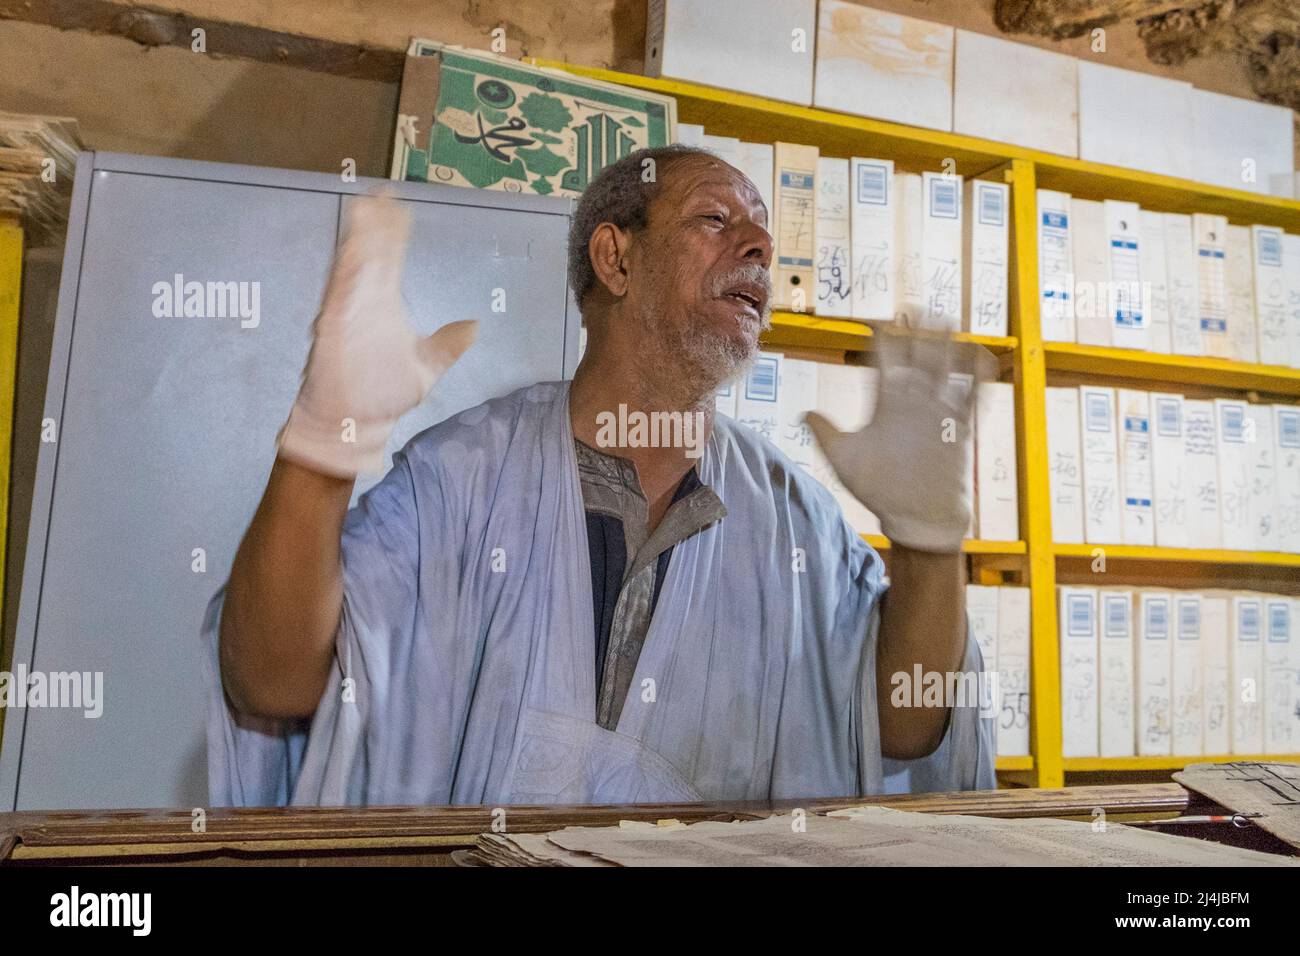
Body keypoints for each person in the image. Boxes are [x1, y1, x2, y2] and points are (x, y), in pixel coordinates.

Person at [205, 144, 995, 806]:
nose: (758, 248)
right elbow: (271, 683)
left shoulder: (796, 522)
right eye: (716, 220)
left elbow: (905, 727)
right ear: (615, 257)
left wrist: (929, 543)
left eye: (762, 236)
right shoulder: (461, 478)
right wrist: (321, 444)